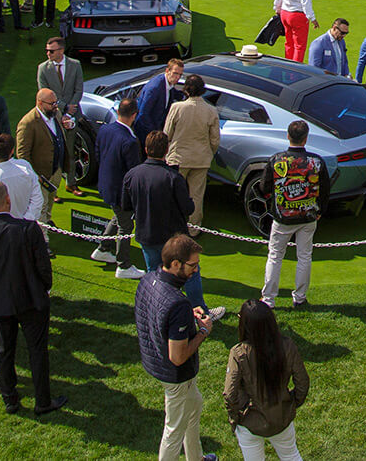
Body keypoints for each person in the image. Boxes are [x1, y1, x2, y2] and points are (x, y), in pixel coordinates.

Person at [0, 181, 66, 416]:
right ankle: (42, 400)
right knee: (37, 351)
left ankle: (10, 399)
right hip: (31, 300)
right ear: (8, 200)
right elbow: (44, 268)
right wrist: (43, 289)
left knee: (4, 351)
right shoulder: (28, 229)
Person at [136, 232, 225, 461]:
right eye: (192, 265)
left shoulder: (148, 280)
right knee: (173, 431)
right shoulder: (178, 304)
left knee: (195, 406)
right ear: (175, 264)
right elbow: (177, 357)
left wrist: (187, 317)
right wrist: (203, 331)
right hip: (175, 375)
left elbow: (158, 318)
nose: (195, 270)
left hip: (157, 362)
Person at [122, 132, 208, 312]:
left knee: (155, 276)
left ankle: (159, 311)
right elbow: (188, 208)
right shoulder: (173, 178)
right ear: (167, 150)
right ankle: (200, 312)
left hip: (147, 235)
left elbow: (126, 205)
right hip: (174, 239)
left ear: (146, 150)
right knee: (190, 275)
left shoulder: (132, 175)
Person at [224, 299, 310, 461]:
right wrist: (292, 402)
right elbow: (302, 381)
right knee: (291, 456)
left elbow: (229, 394)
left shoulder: (238, 353)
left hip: (249, 421)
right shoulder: (287, 345)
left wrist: (235, 417)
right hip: (280, 416)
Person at [261, 119, 331, 310]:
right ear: (306, 138)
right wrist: (319, 211)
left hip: (283, 217)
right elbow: (325, 190)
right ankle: (299, 298)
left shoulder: (276, 160)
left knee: (275, 256)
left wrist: (273, 205)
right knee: (304, 256)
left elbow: (264, 187)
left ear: (288, 136)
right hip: (308, 216)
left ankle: (268, 299)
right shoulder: (316, 161)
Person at [91, 95, 147, 280]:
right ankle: (123, 265)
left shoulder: (105, 129)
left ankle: (103, 248)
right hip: (120, 191)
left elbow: (99, 154)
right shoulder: (130, 141)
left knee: (118, 218)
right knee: (125, 224)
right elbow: (134, 172)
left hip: (107, 184)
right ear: (134, 115)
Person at [165, 74, 222, 228]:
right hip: (200, 159)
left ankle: (174, 226)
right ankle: (194, 227)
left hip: (178, 158)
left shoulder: (177, 108)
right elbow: (215, 139)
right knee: (196, 196)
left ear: (186, 90)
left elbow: (167, 133)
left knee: (174, 194)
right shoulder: (211, 110)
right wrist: (208, 153)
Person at [15, 88, 70, 225]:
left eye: (56, 102)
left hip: (56, 170)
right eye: (51, 103)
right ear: (40, 103)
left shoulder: (55, 114)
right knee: (41, 207)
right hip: (40, 176)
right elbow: (22, 155)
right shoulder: (27, 123)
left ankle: (48, 220)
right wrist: (35, 176)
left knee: (50, 200)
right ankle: (42, 239)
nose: (55, 106)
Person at [36, 37, 84, 192]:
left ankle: (71, 183)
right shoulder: (43, 68)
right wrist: (64, 108)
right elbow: (44, 93)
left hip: (72, 114)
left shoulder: (75, 65)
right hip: (53, 115)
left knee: (70, 150)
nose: (48, 54)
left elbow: (79, 90)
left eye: (51, 51)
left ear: (61, 50)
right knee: (54, 153)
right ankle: (53, 188)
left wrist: (71, 109)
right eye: (47, 51)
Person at [0, 134, 45, 222]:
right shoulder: (26, 173)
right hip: (24, 227)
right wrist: (26, 220)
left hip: (0, 229)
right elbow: (37, 199)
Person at [135, 57, 187, 145]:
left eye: (180, 75)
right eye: (175, 73)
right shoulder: (154, 88)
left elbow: (172, 92)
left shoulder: (169, 84)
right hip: (146, 134)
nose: (177, 77)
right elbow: (143, 115)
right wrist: (155, 135)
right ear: (167, 71)